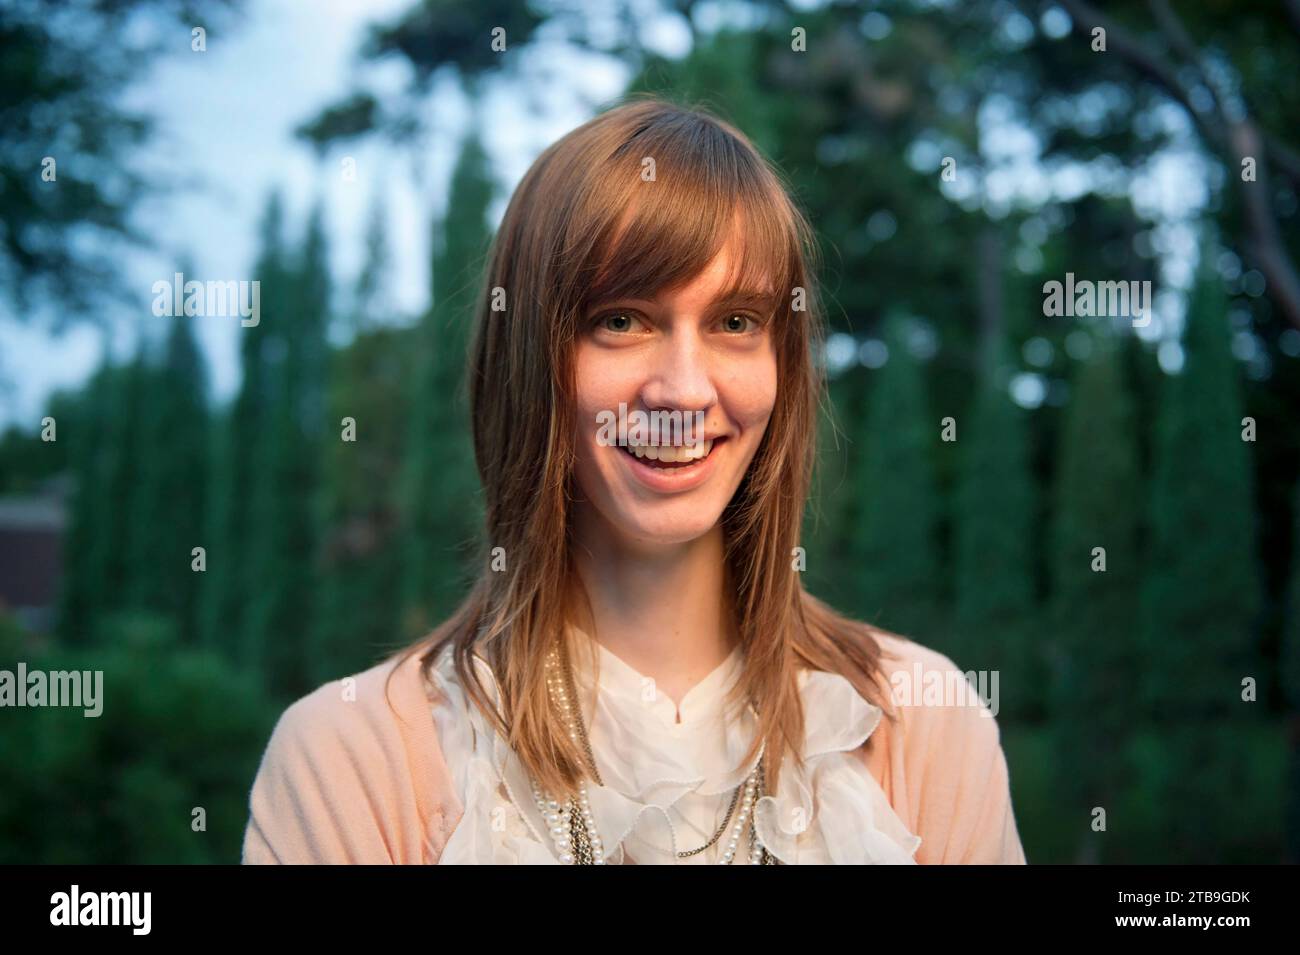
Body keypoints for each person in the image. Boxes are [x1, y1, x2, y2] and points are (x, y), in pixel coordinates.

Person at [241, 97, 1027, 865]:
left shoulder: (921, 725)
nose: (683, 391)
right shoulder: (350, 761)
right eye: (621, 319)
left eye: (735, 322)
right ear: (528, 363)